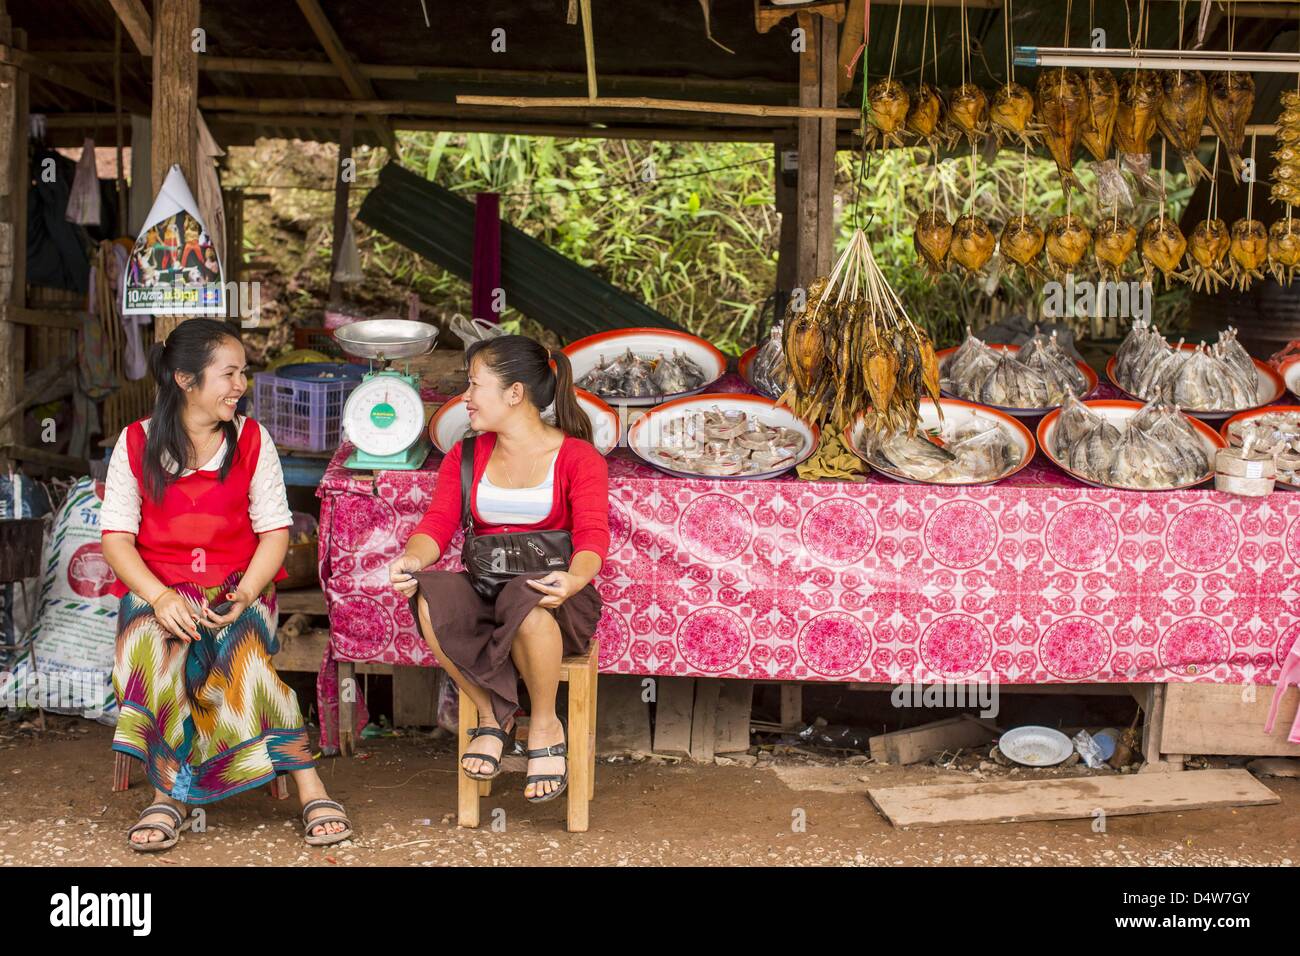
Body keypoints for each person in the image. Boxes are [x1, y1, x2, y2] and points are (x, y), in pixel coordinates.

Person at [100, 318, 353, 851]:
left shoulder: (254, 440)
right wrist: (161, 597)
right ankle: (167, 795)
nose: (241, 385)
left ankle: (310, 784)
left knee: (242, 658)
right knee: (152, 643)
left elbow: (275, 531)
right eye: (229, 374)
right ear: (184, 380)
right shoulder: (136, 442)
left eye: (244, 373)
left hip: (238, 589)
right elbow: (118, 540)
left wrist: (247, 592)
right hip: (158, 591)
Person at [389, 335, 609, 803]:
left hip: (555, 600)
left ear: (514, 394)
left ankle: (546, 724)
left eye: (473, 386)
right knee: (428, 594)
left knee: (525, 604)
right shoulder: (466, 455)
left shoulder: (577, 457)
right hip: (488, 590)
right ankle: (492, 714)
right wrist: (413, 559)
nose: (465, 398)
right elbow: (437, 524)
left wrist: (574, 578)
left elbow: (592, 538)